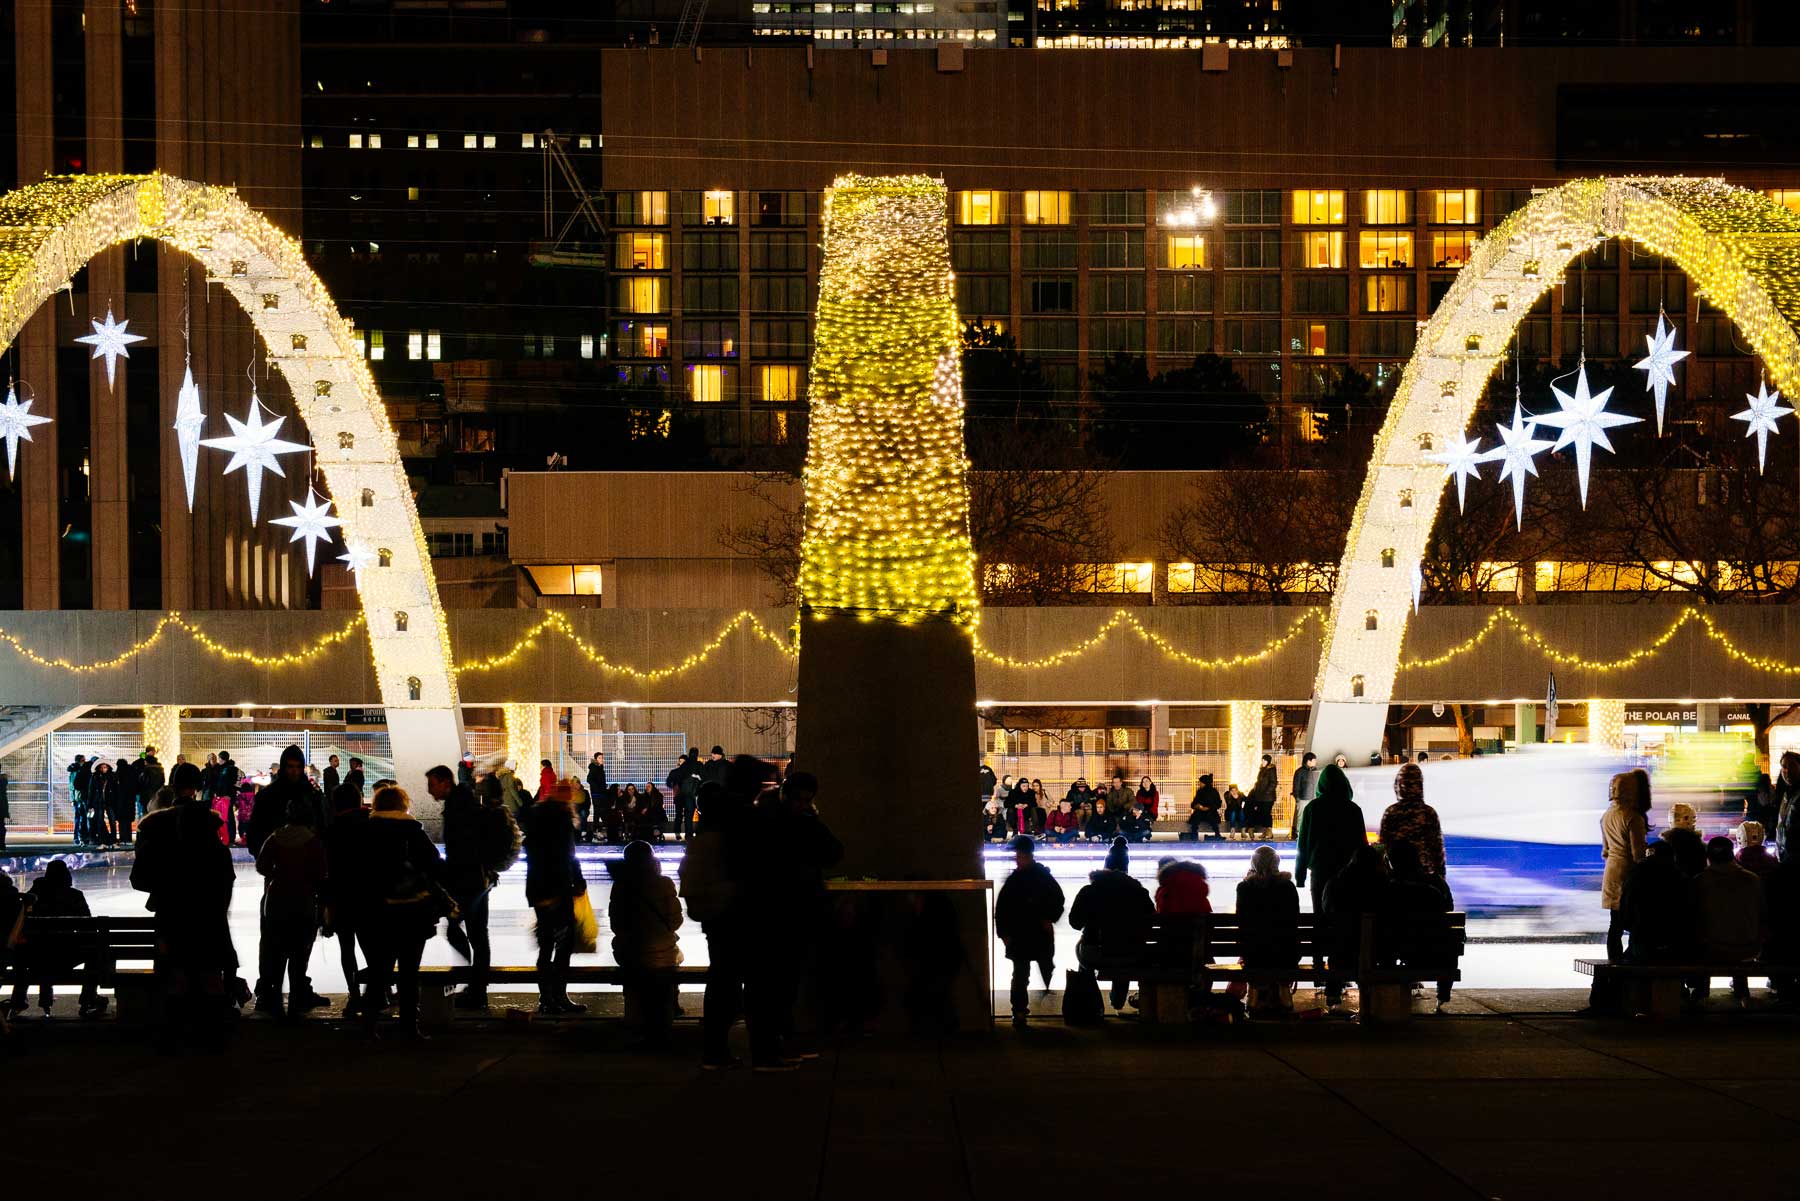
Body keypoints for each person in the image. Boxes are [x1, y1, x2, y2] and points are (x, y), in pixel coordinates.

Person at [130, 762, 236, 1047]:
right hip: (208, 915)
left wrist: (166, 887)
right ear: (198, 787)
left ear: (172, 785)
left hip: (171, 914)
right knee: (209, 974)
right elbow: (225, 875)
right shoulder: (210, 826)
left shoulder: (154, 826)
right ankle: (211, 1037)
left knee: (176, 976)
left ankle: (175, 1036)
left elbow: (139, 879)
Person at [743, 768, 842, 1070]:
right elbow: (833, 852)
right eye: (799, 799)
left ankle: (776, 1044)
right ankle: (770, 1048)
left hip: (777, 912)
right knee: (776, 984)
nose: (801, 804)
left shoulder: (767, 817)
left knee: (779, 983)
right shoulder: (792, 823)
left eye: (805, 800)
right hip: (783, 912)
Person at [351, 785, 445, 1039]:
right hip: (412, 911)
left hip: (377, 911)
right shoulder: (413, 831)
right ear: (403, 804)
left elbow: (356, 870)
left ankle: (369, 1026)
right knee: (409, 972)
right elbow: (434, 864)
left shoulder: (366, 831)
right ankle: (409, 1027)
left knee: (378, 971)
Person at [681, 778, 751, 1069]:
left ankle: (716, 1048)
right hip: (729, 919)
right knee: (727, 982)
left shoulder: (701, 841)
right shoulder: (722, 841)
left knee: (722, 980)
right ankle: (716, 1049)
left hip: (715, 920)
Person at [434, 762, 515, 1011]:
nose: (429, 790)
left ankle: (474, 987)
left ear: (445, 783)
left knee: (466, 932)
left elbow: (464, 847)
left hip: (469, 880)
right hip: (477, 878)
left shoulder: (460, 806)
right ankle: (476, 988)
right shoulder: (462, 803)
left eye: (432, 784)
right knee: (476, 934)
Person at [253, 795, 329, 1020]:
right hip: (303, 901)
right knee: (299, 954)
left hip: (276, 900)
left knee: (275, 953)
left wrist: (278, 874)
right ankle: (296, 1002)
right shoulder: (313, 842)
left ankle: (275, 1001)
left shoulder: (275, 837)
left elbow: (261, 865)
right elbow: (321, 873)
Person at [6, 860, 106, 1019]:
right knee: (95, 954)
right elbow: (88, 929)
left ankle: (18, 1001)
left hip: (35, 957)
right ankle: (88, 999)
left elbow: (22, 928)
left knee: (21, 954)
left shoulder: (32, 897)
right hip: (66, 956)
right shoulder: (75, 896)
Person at [609, 840, 684, 1049]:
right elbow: (675, 922)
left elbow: (616, 925)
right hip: (663, 954)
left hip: (631, 954)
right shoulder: (665, 883)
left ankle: (636, 1020)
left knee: (634, 976)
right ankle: (669, 1011)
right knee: (675, 958)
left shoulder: (621, 886)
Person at [1069, 838, 1154, 1013]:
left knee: (1084, 950)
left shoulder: (1089, 891)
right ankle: (1117, 1001)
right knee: (1125, 947)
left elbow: (1075, 923)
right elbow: (1151, 922)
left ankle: (1088, 1003)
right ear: (1126, 869)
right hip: (1131, 954)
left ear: (1105, 866)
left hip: (1096, 953)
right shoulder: (1139, 893)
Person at [524, 778, 587, 1015]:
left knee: (550, 942)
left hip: (547, 888)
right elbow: (564, 854)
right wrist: (575, 880)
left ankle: (550, 996)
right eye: (567, 791)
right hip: (554, 889)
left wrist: (576, 878)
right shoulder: (557, 818)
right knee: (561, 941)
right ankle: (554, 996)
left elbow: (566, 853)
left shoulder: (543, 816)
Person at [994, 835, 1065, 1028]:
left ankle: (1019, 1011)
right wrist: (1048, 918)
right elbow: (1058, 899)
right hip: (1037, 933)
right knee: (1036, 967)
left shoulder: (1014, 880)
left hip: (1020, 934)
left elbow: (1002, 909)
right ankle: (1025, 1005)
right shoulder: (1042, 877)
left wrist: (1004, 934)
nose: (1016, 859)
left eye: (1018, 855)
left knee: (1020, 973)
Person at [1384, 838, 1458, 1012]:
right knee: (1452, 936)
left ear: (1392, 862)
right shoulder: (1436, 883)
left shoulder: (1387, 887)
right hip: (1436, 951)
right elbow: (1449, 908)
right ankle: (1443, 995)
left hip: (1398, 949)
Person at [1696, 834, 1767, 1005]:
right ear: (1733, 855)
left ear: (1708, 857)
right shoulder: (1753, 879)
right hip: (1748, 948)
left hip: (1712, 949)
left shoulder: (1700, 881)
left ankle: (1701, 992)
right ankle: (1741, 991)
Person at [1321, 844, 1391, 1013]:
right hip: (1376, 949)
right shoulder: (1383, 884)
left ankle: (1333, 994)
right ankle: (1373, 996)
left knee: (1337, 948)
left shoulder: (1336, 882)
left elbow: (1326, 910)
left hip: (1342, 949)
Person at [321, 784, 370, 1017]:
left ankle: (354, 994)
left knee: (347, 948)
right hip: (369, 895)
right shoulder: (372, 825)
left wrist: (326, 903)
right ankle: (377, 991)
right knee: (372, 947)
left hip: (342, 896)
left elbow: (327, 869)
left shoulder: (332, 830)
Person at [1295, 762, 1367, 920]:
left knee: (1320, 919)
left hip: (1320, 871)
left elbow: (1303, 844)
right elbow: (1362, 845)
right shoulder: (1353, 809)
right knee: (1346, 919)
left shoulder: (1312, 808)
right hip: (1348, 874)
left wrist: (1300, 876)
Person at [1236, 846, 1301, 1015]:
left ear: (1254, 864)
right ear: (1276, 863)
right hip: (1286, 955)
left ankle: (1253, 993)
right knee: (1284, 943)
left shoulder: (1244, 888)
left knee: (1251, 944)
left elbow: (1241, 922)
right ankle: (1284, 992)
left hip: (1254, 955)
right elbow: (1294, 919)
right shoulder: (1287, 886)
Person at [1598, 771, 1649, 963]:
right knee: (1637, 923)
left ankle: (1614, 963)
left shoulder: (1606, 816)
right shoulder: (1633, 818)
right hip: (1628, 875)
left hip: (1611, 872)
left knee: (1615, 924)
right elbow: (1638, 854)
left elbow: (1605, 851)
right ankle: (1631, 963)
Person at [1619, 840, 1695, 967]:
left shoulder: (1636, 876)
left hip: (1642, 944)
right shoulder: (1681, 878)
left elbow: (1625, 914)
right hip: (1675, 946)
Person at [1378, 762, 1446, 877]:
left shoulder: (1391, 813)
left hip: (1397, 876)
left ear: (1398, 785)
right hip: (1424, 877)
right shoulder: (1429, 813)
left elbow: (1383, 847)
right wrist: (1441, 878)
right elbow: (1437, 850)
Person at [1663, 802, 1707, 878]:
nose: (1694, 822)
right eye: (1693, 818)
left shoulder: (1662, 846)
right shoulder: (1699, 845)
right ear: (1682, 819)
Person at [1775, 750, 1800, 862]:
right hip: (1785, 858)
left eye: (1792, 766)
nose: (1787, 771)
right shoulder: (1786, 795)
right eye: (1784, 767)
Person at [1248, 755, 1278, 834]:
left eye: (1264, 760)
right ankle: (1264, 831)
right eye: (1262, 760)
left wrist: (1267, 792)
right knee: (1262, 813)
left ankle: (1269, 831)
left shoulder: (1271, 770)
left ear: (1268, 761)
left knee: (1266, 813)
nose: (1263, 762)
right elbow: (1260, 781)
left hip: (1268, 797)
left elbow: (1273, 782)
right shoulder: (1262, 769)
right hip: (1261, 797)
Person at [1187, 775, 1222, 840]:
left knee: (1209, 815)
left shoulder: (1213, 791)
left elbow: (1218, 804)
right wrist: (1197, 806)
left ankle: (1217, 834)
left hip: (1210, 812)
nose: (1199, 784)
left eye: (1201, 782)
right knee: (1197, 816)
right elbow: (1193, 804)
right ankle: (1194, 835)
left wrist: (1208, 808)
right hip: (1201, 812)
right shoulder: (1200, 791)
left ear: (1205, 783)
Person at [0, 763, 9, 851]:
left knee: (1, 826)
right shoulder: (3, 778)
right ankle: (2, 844)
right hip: (2, 806)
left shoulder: (3, 778)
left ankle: (2, 844)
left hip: (1, 806)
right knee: (1, 825)